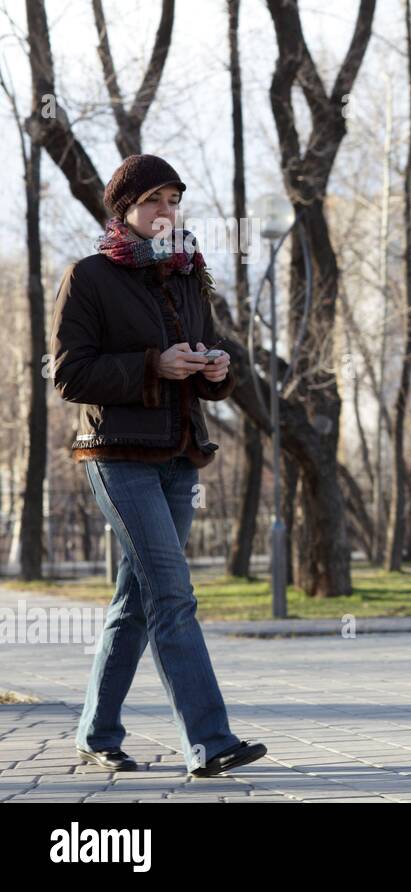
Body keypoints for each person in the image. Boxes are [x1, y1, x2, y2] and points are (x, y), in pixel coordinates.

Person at [49, 153, 266, 778]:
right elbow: (68, 373)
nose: (165, 211)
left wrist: (215, 369)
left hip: (179, 455)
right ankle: (209, 741)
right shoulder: (88, 277)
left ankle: (96, 730)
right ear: (124, 210)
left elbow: (204, 358)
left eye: (173, 200)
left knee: (136, 602)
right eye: (152, 201)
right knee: (173, 594)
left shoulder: (189, 275)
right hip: (117, 457)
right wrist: (153, 365)